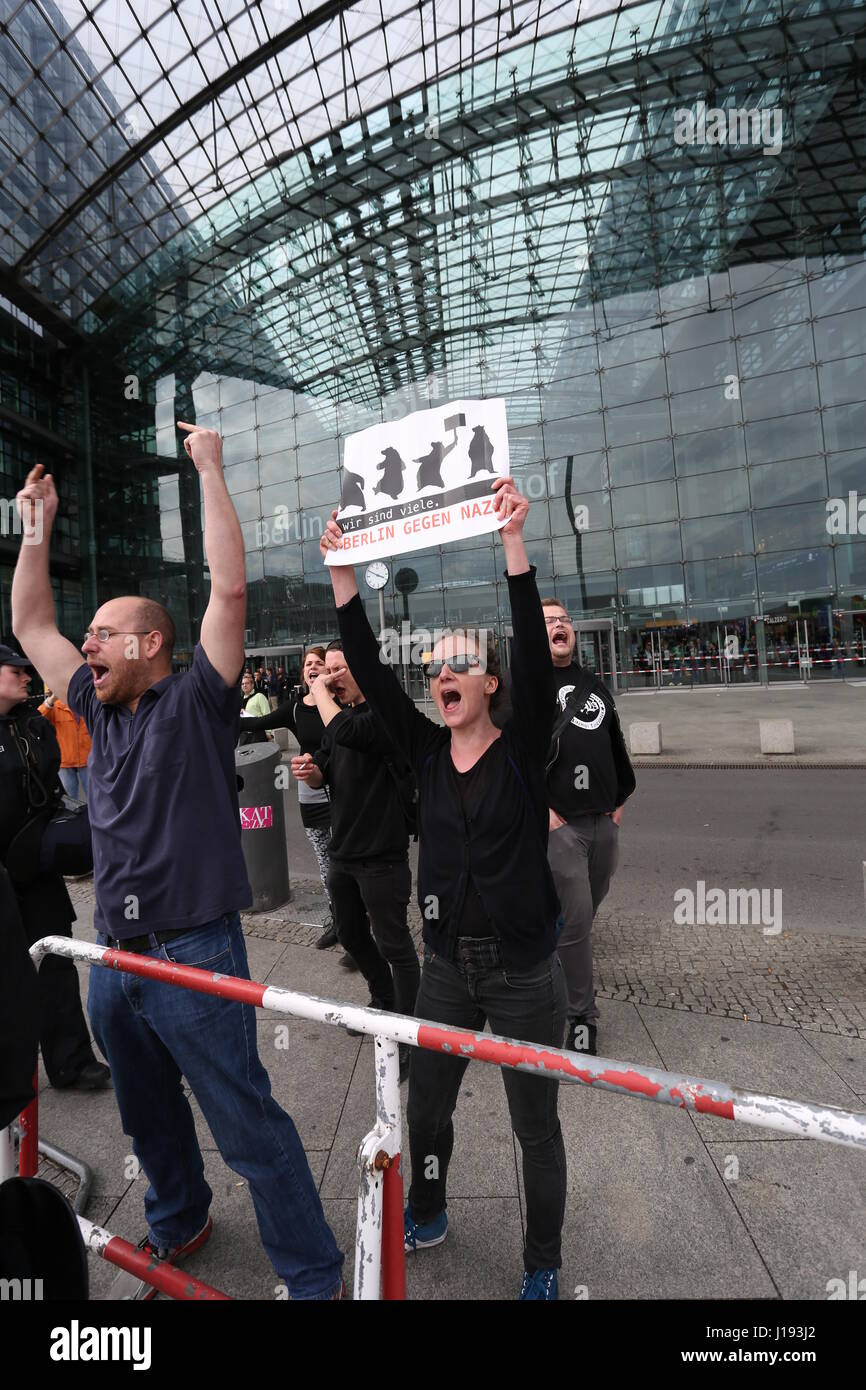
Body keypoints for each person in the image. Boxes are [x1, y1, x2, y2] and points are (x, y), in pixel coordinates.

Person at [11, 437, 344, 1302]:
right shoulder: (91, 701)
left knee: (246, 1123)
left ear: (152, 642)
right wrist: (35, 530)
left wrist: (209, 472)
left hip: (195, 953)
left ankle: (312, 1278)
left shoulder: (198, 700)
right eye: (88, 636)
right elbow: (31, 625)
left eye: (105, 632)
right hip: (113, 955)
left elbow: (228, 589)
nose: (85, 643)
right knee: (146, 1112)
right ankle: (178, 1219)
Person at [321, 476, 568, 1301]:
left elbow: (534, 656)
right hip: (448, 973)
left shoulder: (524, 748)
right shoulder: (424, 752)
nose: (442, 673)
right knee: (426, 1110)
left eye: (461, 662)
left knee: (536, 1127)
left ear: (491, 683)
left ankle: (541, 1263)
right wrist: (345, 577)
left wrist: (512, 546)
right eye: (435, 666)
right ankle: (428, 1207)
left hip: (527, 973)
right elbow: (367, 670)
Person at [293, 642, 419, 1034]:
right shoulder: (341, 718)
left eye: (339, 669)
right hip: (343, 851)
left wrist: (318, 693)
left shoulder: (385, 713)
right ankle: (384, 999)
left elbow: (349, 731)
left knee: (395, 944)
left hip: (382, 854)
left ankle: (410, 1031)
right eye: (326, 670)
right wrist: (310, 771)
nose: (330, 678)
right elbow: (326, 768)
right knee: (349, 932)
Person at [0, 646, 109, 1091]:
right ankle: (11, 1073)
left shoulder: (35, 723)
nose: (27, 676)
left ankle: (71, 1062)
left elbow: (50, 790)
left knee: (56, 963)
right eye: (16, 670)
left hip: (37, 868)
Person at [542, 599, 636, 1056]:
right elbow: (512, 759)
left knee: (577, 918)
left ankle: (541, 969)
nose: (559, 626)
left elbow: (615, 746)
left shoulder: (596, 685)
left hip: (604, 824)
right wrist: (548, 817)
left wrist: (619, 806)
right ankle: (581, 1018)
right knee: (577, 922)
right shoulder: (529, 687)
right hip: (561, 830)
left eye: (563, 621)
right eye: (548, 622)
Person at [241, 646, 345, 955]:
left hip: (342, 793)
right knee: (326, 865)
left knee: (346, 863)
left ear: (328, 670)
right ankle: (338, 921)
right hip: (309, 794)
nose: (313, 667)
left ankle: (355, 922)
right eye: (308, 664)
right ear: (303, 673)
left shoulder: (340, 703)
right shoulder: (296, 708)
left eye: (319, 663)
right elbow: (258, 724)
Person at [38, 688, 91, 802]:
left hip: (87, 758)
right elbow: (38, 718)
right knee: (70, 798)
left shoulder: (86, 703)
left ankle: (95, 818)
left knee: (94, 795)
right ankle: (74, 819)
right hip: (65, 760)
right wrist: (50, 701)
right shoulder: (55, 707)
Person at [238, 669, 271, 745]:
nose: (244, 685)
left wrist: (269, 733)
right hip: (244, 735)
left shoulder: (259, 696)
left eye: (247, 683)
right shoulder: (240, 700)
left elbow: (267, 715)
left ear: (252, 685)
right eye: (242, 684)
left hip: (258, 734)